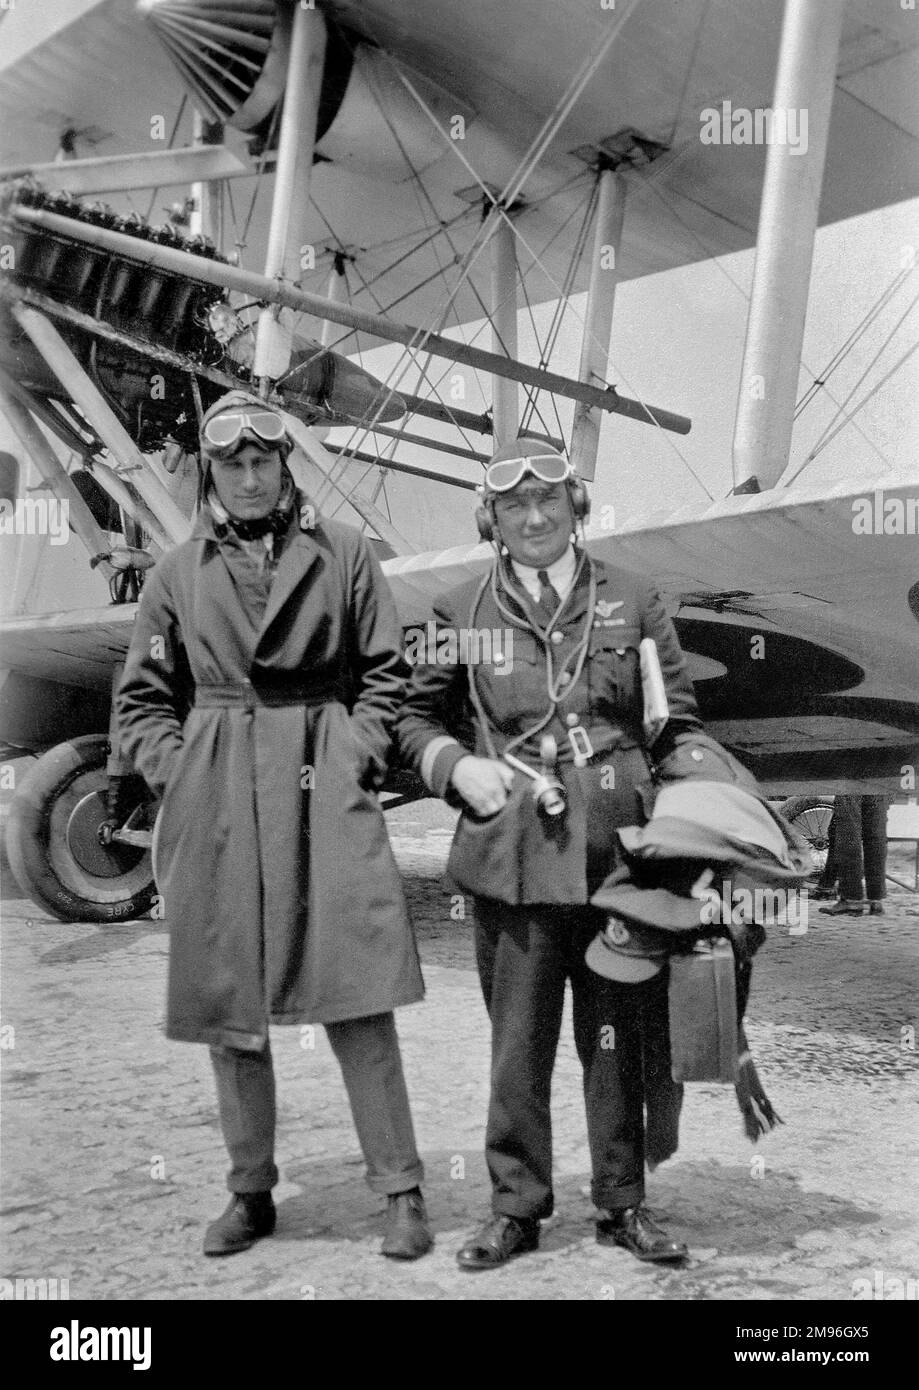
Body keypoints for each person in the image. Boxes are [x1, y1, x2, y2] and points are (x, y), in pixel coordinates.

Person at [116, 390, 432, 1260]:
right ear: (211, 472)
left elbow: (384, 673)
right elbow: (141, 701)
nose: (250, 478)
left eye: (264, 461)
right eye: (232, 464)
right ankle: (250, 1192)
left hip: (321, 779)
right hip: (218, 787)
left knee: (358, 991)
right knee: (230, 1004)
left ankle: (400, 1188)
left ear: (284, 464)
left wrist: (354, 753)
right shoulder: (176, 574)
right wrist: (181, 778)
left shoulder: (346, 554)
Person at [397, 437, 714, 1269]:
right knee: (518, 1045)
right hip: (511, 858)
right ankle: (516, 1207)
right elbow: (408, 723)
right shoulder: (458, 615)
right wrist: (457, 765)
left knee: (618, 1039)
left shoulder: (634, 600)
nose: (532, 519)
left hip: (618, 861)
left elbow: (674, 720)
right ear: (489, 518)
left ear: (575, 506)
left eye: (548, 502)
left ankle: (623, 1201)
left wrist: (701, 817)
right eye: (511, 506)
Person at [820, 794, 890, 915]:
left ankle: (851, 899)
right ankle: (876, 900)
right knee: (876, 835)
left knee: (848, 833)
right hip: (880, 781)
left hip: (851, 780)